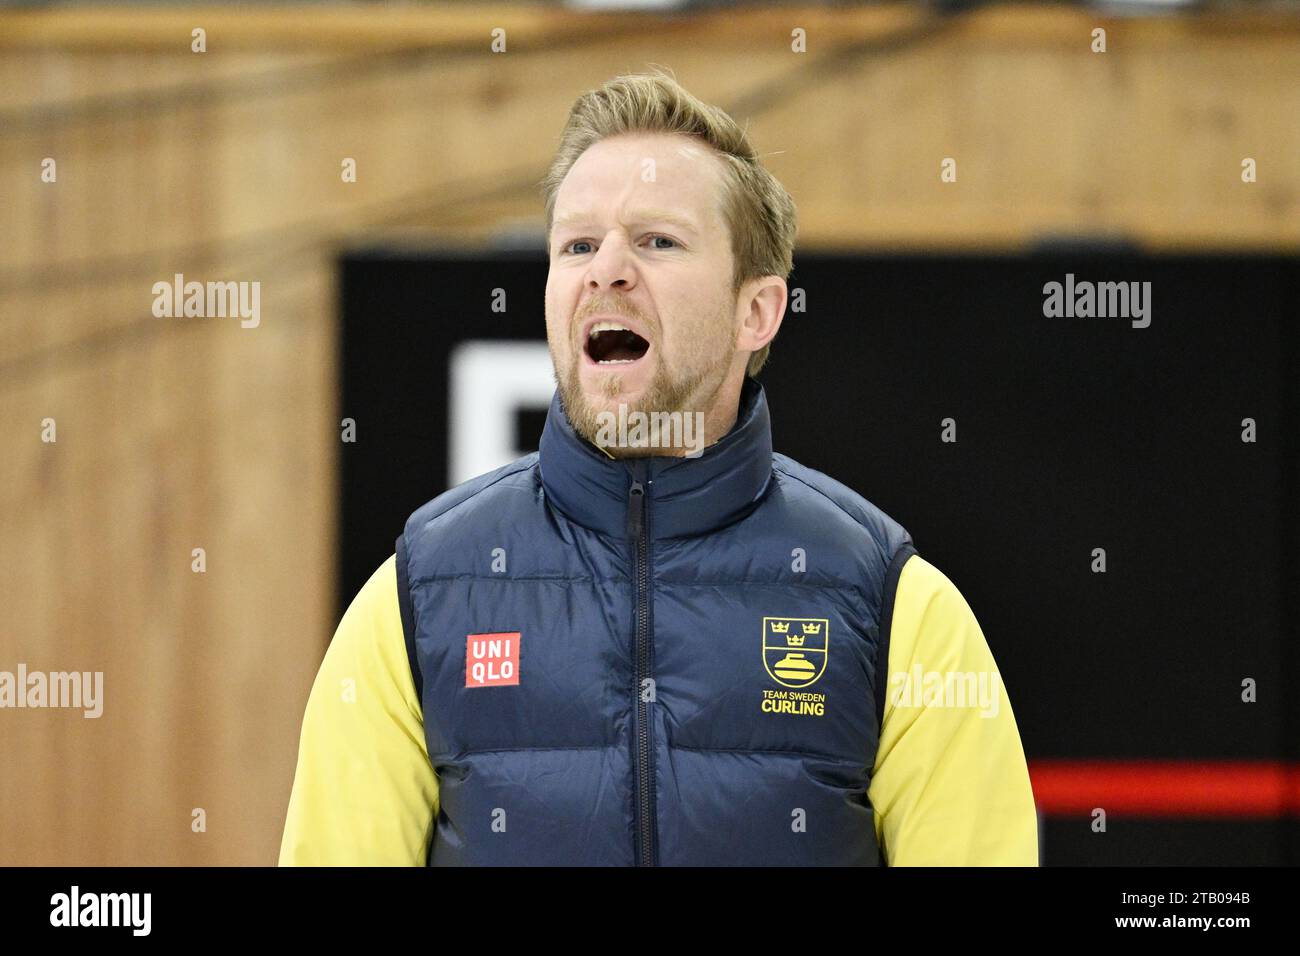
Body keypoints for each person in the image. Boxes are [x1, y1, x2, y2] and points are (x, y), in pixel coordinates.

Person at [280, 69, 1038, 866]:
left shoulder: (898, 608)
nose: (606, 269)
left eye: (658, 241)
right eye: (577, 244)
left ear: (758, 311)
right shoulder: (413, 599)